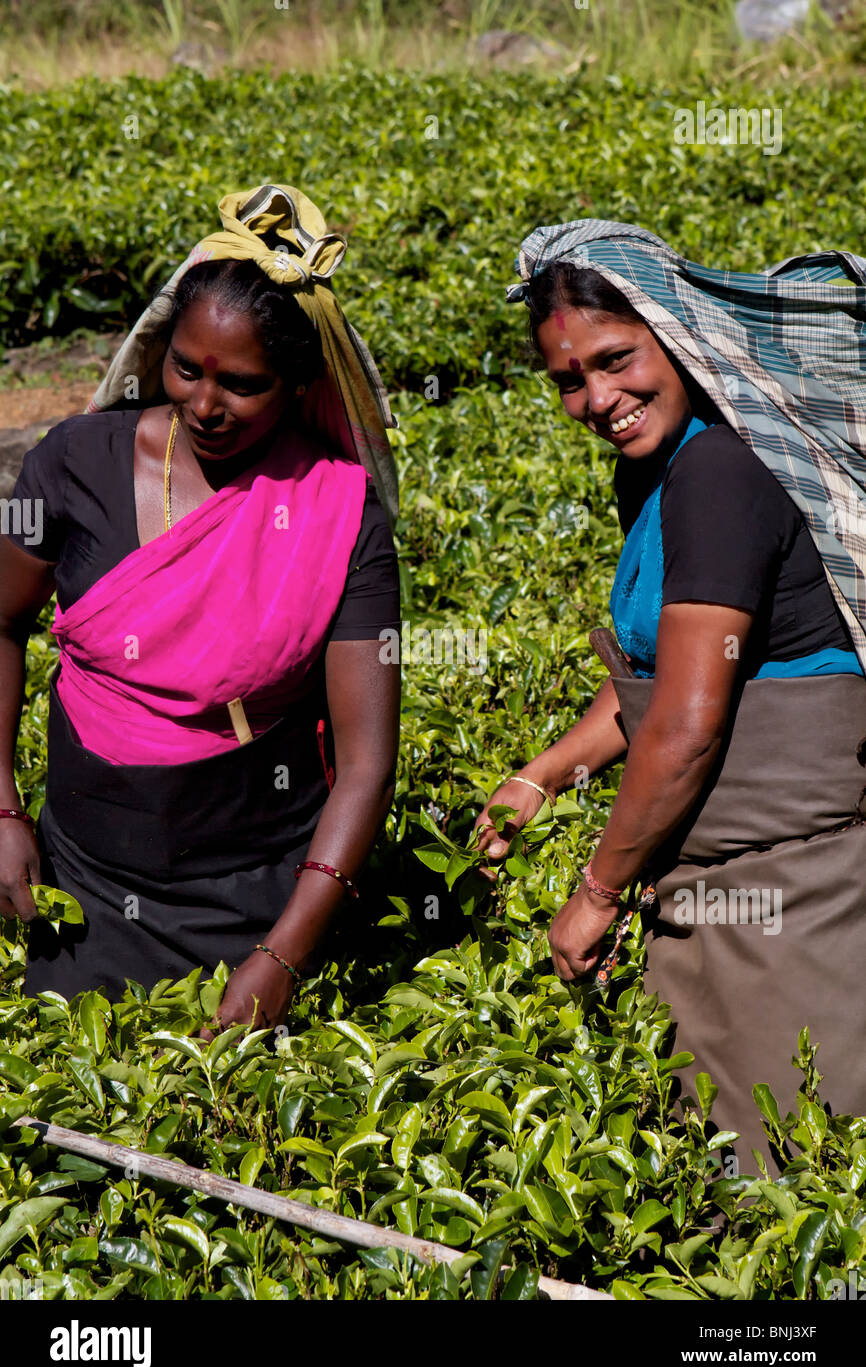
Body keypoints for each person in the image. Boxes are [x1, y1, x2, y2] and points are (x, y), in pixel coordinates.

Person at [476, 217, 866, 1175]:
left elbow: (689, 729)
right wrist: (545, 774)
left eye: (617, 360)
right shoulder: (661, 469)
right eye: (570, 379)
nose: (599, 397)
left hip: (792, 889)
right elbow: (659, 686)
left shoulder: (722, 475)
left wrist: (596, 892)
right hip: (716, 883)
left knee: (794, 1183)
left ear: (675, 336)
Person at [0, 184, 400, 1033]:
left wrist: (284, 954)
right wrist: (2, 810)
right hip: (81, 878)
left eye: (243, 384)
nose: (206, 405)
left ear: (297, 385)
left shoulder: (338, 513)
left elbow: (366, 765)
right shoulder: (75, 463)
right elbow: (0, 623)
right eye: (187, 368)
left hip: (255, 891)